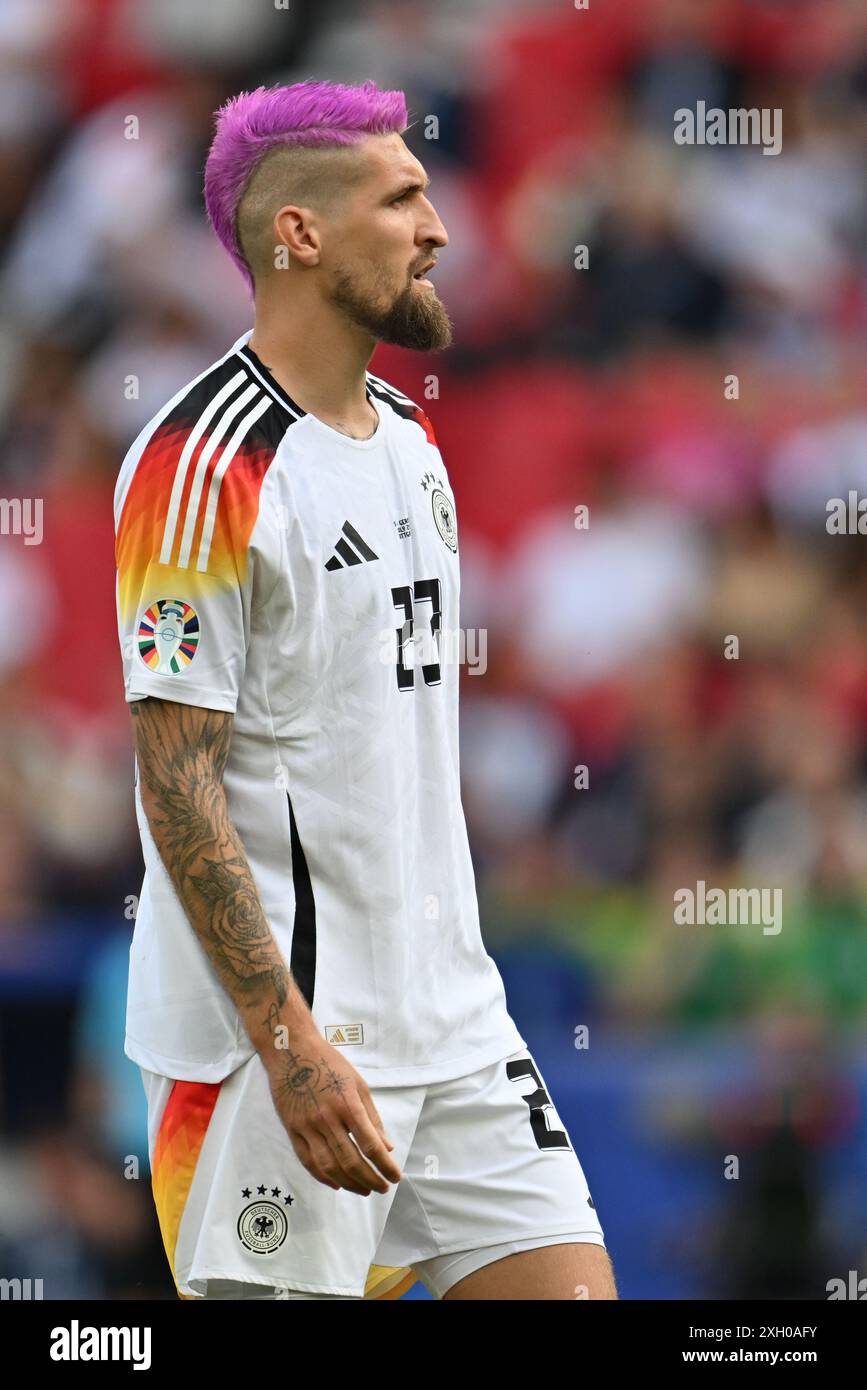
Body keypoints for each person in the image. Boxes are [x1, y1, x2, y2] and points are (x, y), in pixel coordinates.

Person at [113, 78, 616, 1301]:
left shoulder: (409, 437)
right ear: (300, 234)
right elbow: (178, 787)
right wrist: (289, 1045)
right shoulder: (201, 466)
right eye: (402, 199)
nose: (439, 228)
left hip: (457, 1028)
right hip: (272, 1052)